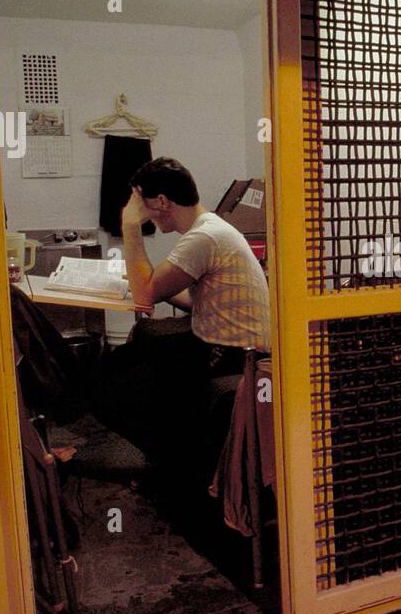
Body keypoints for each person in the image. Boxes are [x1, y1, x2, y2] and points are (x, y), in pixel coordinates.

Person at [91, 157, 271, 465]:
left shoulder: (203, 237)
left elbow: (145, 295)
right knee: (133, 354)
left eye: (140, 202)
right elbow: (193, 299)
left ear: (161, 201)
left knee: (119, 382)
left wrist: (129, 224)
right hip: (225, 343)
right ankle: (164, 459)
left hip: (235, 354)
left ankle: (169, 464)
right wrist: (150, 285)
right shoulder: (209, 228)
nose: (137, 210)